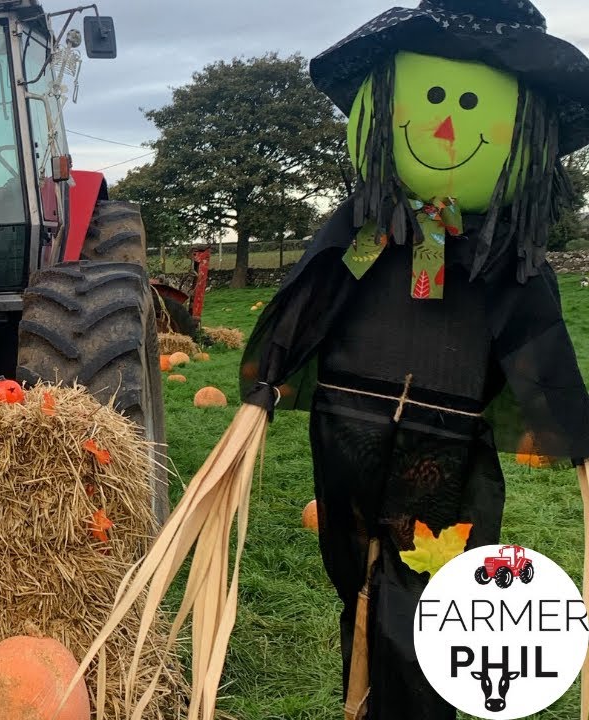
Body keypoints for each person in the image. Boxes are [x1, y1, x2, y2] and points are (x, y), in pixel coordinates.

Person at [239, 1, 589, 717]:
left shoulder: (499, 262)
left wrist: (578, 441)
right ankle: (365, 698)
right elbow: (319, 294)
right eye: (431, 98)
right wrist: (267, 379)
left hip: (446, 441)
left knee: (431, 598)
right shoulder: (372, 239)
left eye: (471, 105)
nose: (449, 126)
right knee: (359, 585)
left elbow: (537, 344)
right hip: (348, 422)